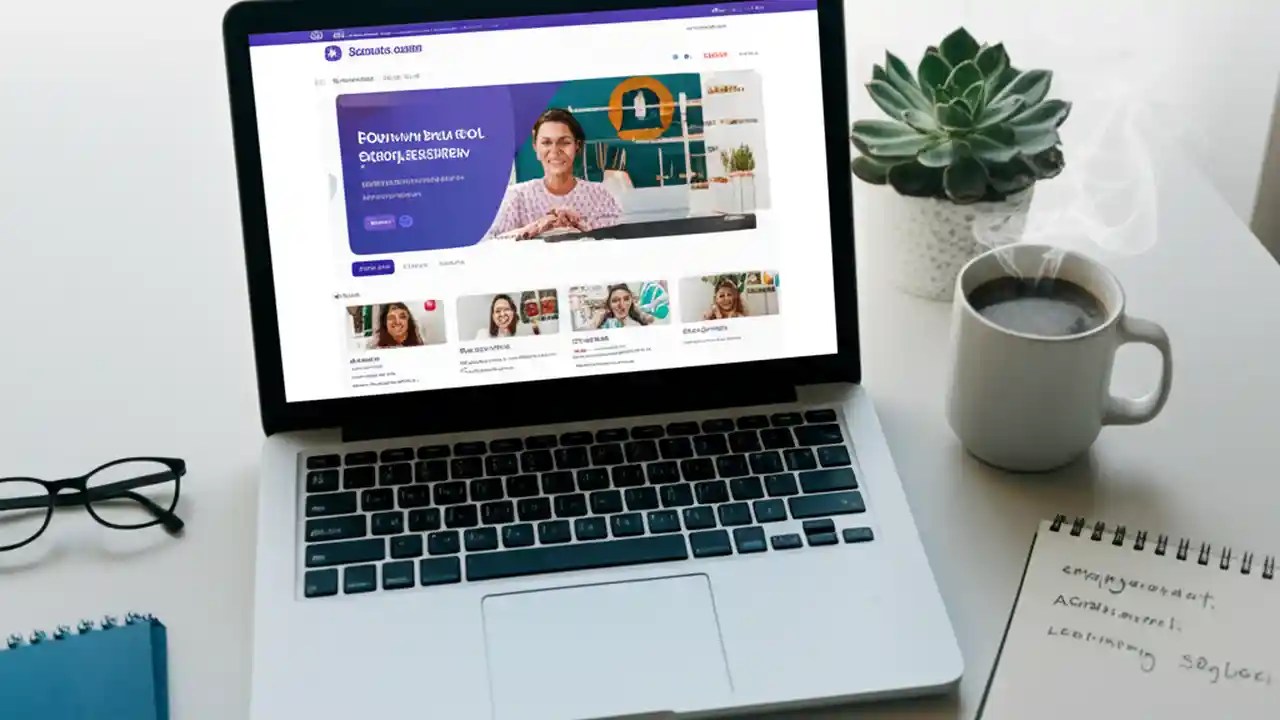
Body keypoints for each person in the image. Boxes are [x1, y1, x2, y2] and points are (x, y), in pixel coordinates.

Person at [485, 108, 622, 240]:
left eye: (564, 142)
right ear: (536, 147)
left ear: (577, 146)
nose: (555, 150)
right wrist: (536, 227)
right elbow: (491, 243)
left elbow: (617, 243)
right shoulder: (517, 197)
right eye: (546, 142)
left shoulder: (600, 195)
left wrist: (579, 226)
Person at [588, 284, 656, 329]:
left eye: (626, 299)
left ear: (631, 301)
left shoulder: (638, 322)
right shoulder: (603, 324)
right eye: (615, 300)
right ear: (609, 305)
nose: (622, 305)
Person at [475, 294, 540, 340]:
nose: (502, 314)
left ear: (513, 313)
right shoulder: (483, 335)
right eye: (498, 311)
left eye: (506, 309)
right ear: (493, 316)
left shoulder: (522, 334)